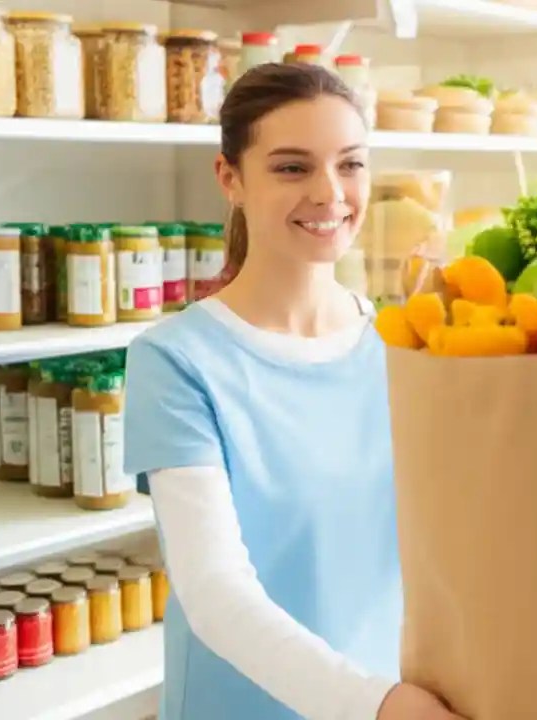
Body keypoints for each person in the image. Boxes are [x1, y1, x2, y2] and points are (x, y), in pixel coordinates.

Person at [124, 63, 464, 720]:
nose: (330, 193)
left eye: (351, 164)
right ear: (230, 179)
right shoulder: (176, 362)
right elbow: (217, 596)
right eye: (291, 167)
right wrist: (382, 705)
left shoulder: (400, 342)